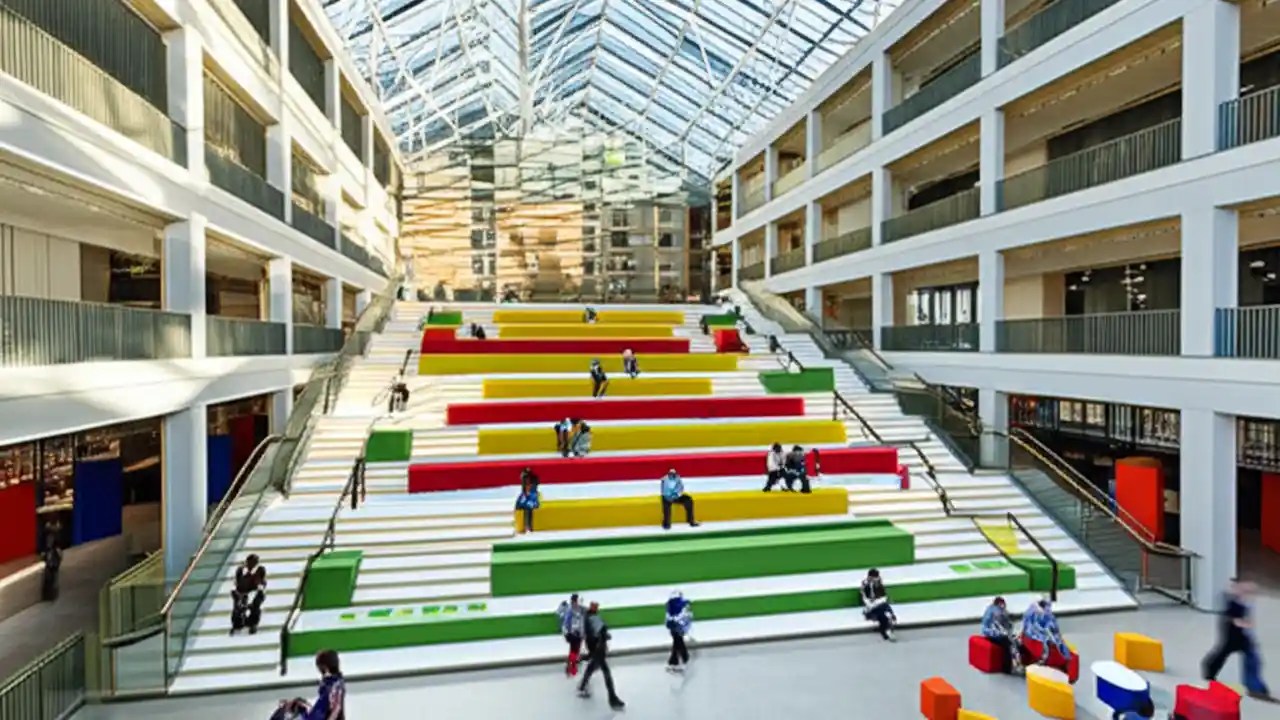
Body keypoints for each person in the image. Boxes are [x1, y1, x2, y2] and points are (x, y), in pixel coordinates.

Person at [1203, 579, 1272, 699]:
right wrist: (1244, 624)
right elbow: (1233, 618)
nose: (1249, 592)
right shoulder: (1232, 601)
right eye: (1246, 589)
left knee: (1253, 659)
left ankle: (1255, 687)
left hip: (1243, 636)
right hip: (1232, 634)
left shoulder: (1245, 599)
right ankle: (1209, 668)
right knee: (1222, 653)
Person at [270, 649, 346, 720]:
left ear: (325, 666)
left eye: (319, 667)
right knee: (297, 703)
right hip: (319, 714)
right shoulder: (328, 681)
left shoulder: (335, 683)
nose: (318, 670)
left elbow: (336, 707)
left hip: (322, 716)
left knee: (297, 704)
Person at [578, 602, 625, 710]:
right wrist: (606, 637)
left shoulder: (587, 619)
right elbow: (602, 631)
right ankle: (612, 698)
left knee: (591, 668)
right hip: (599, 650)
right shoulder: (594, 619)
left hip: (594, 649)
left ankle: (582, 686)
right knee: (606, 673)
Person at [1021, 597, 1070, 670]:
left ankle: (1064, 658)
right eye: (1047, 607)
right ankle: (1045, 657)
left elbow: (1052, 623)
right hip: (1033, 634)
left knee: (1059, 641)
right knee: (1046, 641)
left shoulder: (1047, 614)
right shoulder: (1033, 613)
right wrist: (1043, 631)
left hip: (1045, 633)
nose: (1049, 609)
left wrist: (1053, 631)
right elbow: (1032, 626)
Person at [980, 596, 1023, 674]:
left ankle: (1017, 663)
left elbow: (1006, 625)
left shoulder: (997, 610)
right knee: (1008, 644)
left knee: (1014, 641)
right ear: (999, 604)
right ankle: (1007, 668)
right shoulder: (995, 612)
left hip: (996, 633)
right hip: (993, 634)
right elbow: (998, 626)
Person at [231, 554, 267, 634]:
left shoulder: (260, 570)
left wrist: (258, 589)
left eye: (254, 563)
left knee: (255, 604)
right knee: (238, 604)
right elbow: (237, 582)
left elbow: (262, 582)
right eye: (250, 562)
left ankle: (253, 623)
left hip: (254, 592)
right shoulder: (241, 570)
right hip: (242, 592)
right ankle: (237, 624)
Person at [861, 568, 897, 641]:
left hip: (880, 605)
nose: (875, 579)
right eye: (874, 578)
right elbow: (866, 600)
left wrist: (878, 586)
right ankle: (887, 631)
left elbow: (884, 596)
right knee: (883, 612)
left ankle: (887, 629)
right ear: (869, 577)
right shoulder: (865, 584)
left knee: (884, 612)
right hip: (871, 608)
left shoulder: (879, 584)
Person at [557, 593, 586, 677]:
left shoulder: (579, 609)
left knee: (575, 649)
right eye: (578, 601)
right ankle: (571, 667)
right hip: (572, 634)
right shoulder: (570, 610)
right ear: (574, 601)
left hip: (577, 633)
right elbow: (567, 623)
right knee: (574, 650)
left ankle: (572, 665)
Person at [665, 590, 693, 673]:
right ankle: (677, 661)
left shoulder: (671, 606)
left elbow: (669, 617)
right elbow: (686, 616)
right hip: (678, 626)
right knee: (678, 642)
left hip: (675, 626)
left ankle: (677, 661)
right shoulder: (681, 605)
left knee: (678, 642)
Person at [515, 468, 540, 533]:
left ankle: (529, 526)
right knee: (522, 507)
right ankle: (525, 526)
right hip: (526, 496)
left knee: (529, 508)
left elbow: (534, 492)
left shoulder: (534, 480)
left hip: (531, 497)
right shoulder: (524, 479)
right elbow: (524, 491)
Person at [40, 531, 62, 602]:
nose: (49, 541)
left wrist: (56, 564)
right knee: (48, 579)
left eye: (51, 540)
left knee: (53, 579)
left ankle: (52, 595)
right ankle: (47, 595)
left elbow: (59, 557)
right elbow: (44, 557)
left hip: (54, 566)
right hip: (49, 566)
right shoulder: (47, 550)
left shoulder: (56, 550)